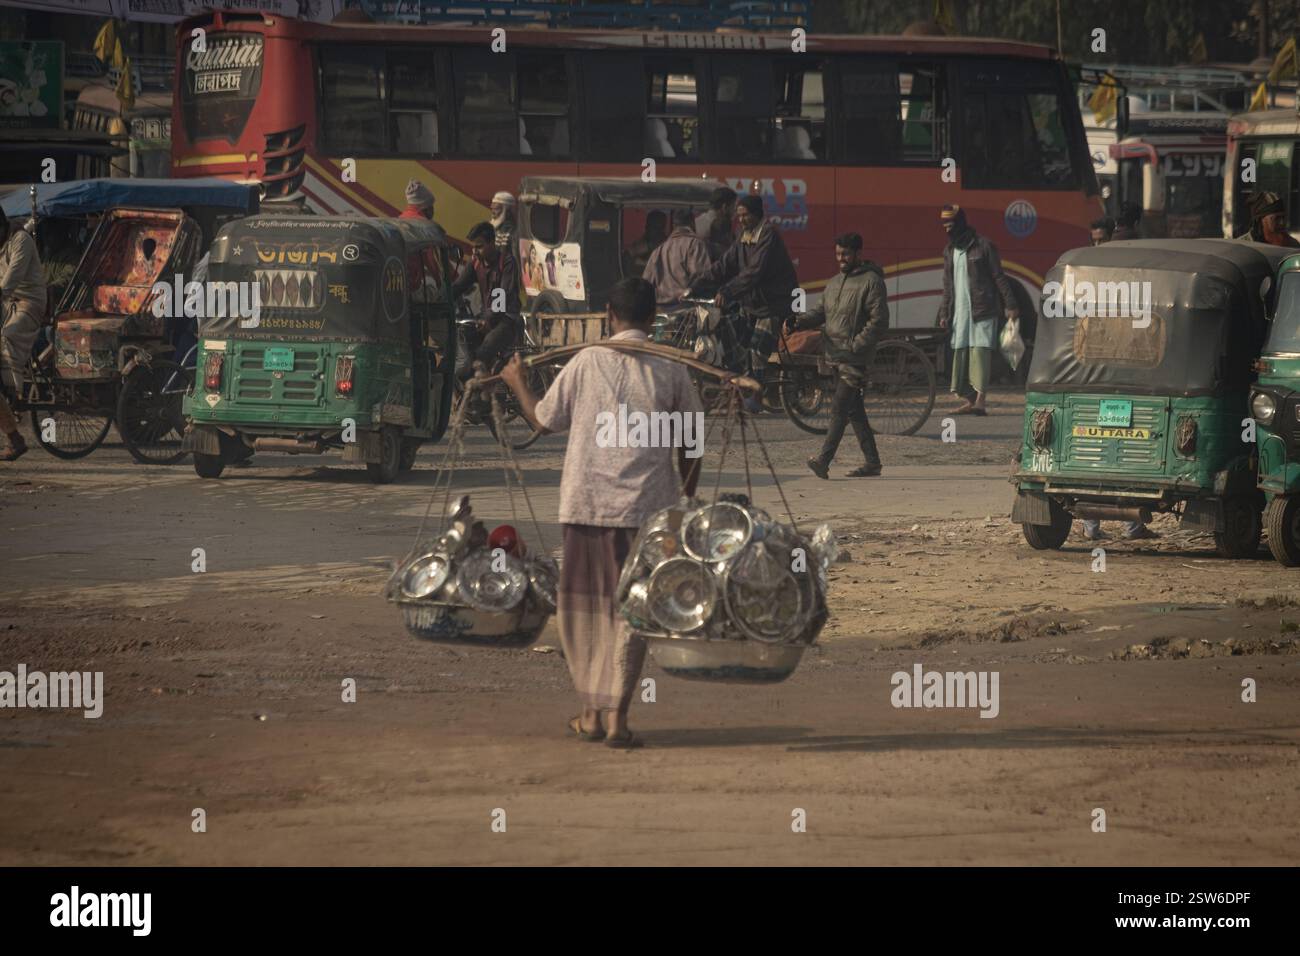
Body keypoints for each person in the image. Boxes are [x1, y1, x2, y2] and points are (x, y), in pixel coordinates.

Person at [500, 277, 703, 749]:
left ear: (609, 315)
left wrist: (516, 383)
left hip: (588, 508)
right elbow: (692, 445)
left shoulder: (586, 361)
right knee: (630, 614)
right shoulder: (671, 370)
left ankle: (595, 712)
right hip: (648, 515)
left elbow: (544, 419)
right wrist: (685, 504)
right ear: (653, 319)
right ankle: (612, 720)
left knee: (585, 612)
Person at [797, 233, 888, 479]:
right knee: (854, 411)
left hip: (855, 357)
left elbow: (879, 322)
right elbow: (820, 312)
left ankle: (823, 461)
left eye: (846, 254)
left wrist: (856, 345)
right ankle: (873, 462)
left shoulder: (872, 281)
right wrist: (798, 322)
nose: (841, 259)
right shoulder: (834, 282)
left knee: (839, 407)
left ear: (859, 254)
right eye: (838, 254)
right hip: (834, 354)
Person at [700, 194, 797, 414]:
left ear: (757, 214)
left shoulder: (768, 234)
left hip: (774, 303)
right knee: (734, 341)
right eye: (739, 215)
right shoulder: (745, 236)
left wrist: (727, 290)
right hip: (753, 304)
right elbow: (725, 264)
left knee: (756, 349)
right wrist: (698, 282)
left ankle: (757, 396)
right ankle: (742, 387)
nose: (741, 219)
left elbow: (755, 272)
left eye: (745, 215)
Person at [936, 204, 1019, 416]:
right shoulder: (949, 251)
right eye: (944, 224)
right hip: (960, 313)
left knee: (980, 353)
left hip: (983, 309)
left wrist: (1010, 304)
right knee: (961, 355)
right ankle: (970, 400)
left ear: (961, 222)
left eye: (951, 223)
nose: (947, 228)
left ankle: (981, 401)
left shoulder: (983, 245)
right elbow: (948, 285)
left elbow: (999, 276)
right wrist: (945, 312)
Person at [450, 221, 521, 383]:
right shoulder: (475, 263)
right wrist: (441, 300)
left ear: (492, 243)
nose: (475, 251)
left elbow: (501, 297)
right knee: (463, 345)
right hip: (485, 318)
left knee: (482, 353)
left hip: (506, 321)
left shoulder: (507, 263)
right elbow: (459, 286)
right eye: (473, 247)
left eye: (479, 247)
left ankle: (480, 396)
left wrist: (488, 321)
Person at [0, 208, 46, 461]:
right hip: (6, 303)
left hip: (29, 302)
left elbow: (12, 277)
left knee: (7, 336)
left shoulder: (21, 240)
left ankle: (13, 393)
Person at [642, 207, 711, 307]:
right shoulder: (695, 245)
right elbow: (702, 277)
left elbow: (646, 283)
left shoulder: (659, 249)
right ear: (692, 223)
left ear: (674, 225)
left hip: (661, 309)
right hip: (685, 309)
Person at [695, 186, 737, 261]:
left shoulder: (697, 221)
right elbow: (726, 255)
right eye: (733, 207)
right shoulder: (720, 224)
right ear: (724, 207)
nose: (735, 212)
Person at [624, 210, 667, 277]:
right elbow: (627, 256)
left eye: (659, 227)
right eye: (652, 226)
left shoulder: (669, 245)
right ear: (647, 226)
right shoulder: (641, 244)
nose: (656, 231)